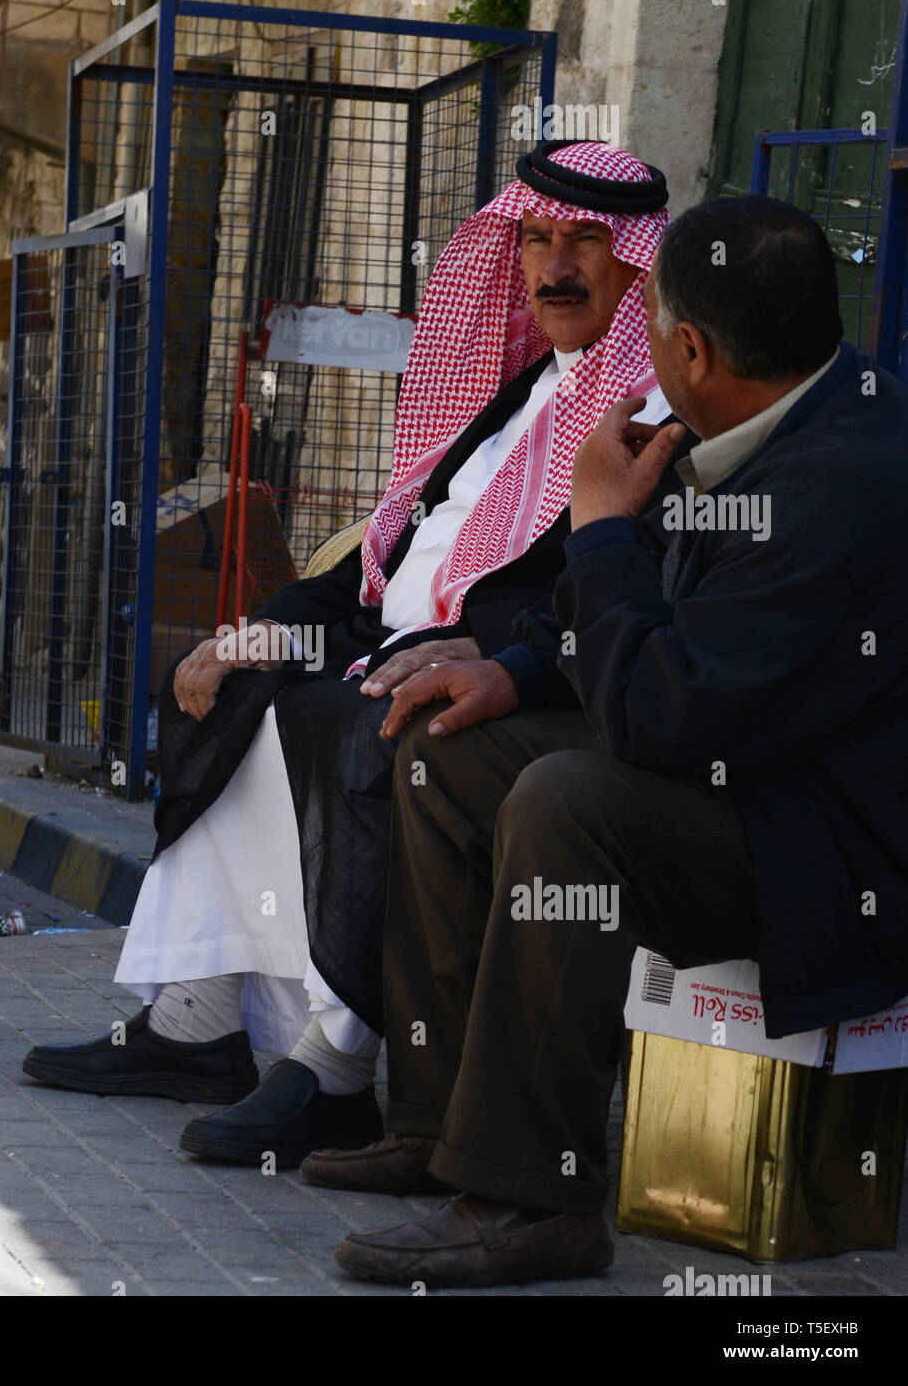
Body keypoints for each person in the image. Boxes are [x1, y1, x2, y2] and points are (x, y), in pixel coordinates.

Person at [24, 141, 673, 1163]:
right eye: (536, 239)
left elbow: (608, 588)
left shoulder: (649, 420)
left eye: (585, 242)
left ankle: (329, 1065)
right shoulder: (513, 396)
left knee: (335, 722)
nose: (553, 266)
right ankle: (196, 1023)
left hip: (510, 690)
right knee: (239, 687)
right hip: (390, 645)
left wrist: (489, 650)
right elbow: (387, 561)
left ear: (636, 263)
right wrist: (264, 627)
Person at [311, 193, 908, 1288]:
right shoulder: (750, 410)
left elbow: (659, 714)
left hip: (830, 857)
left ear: (689, 346)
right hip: (744, 774)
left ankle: (531, 1195)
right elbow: (637, 641)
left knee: (564, 800)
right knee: (446, 747)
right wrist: (509, 668)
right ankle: (439, 1129)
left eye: (655, 333)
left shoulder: (850, 481)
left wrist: (595, 526)